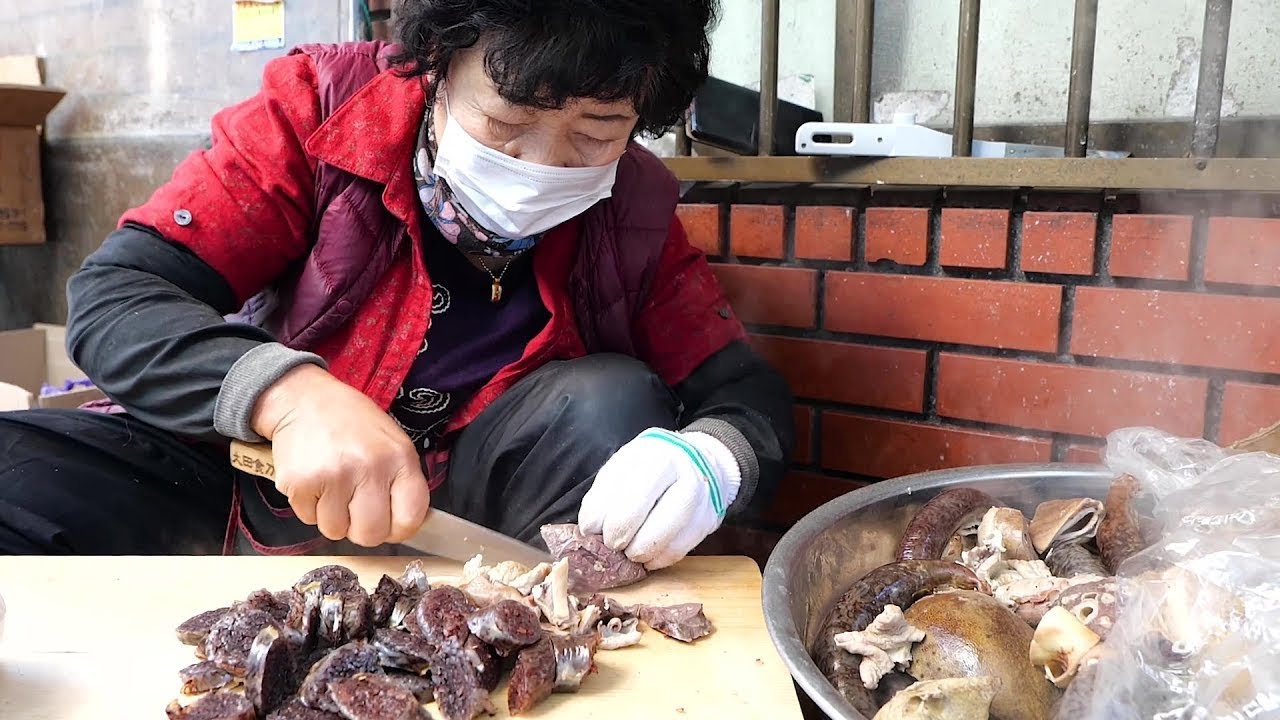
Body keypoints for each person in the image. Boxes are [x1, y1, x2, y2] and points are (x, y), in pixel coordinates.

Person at [0, 0, 793, 568]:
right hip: (241, 476)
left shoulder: (633, 211)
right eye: (506, 124)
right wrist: (291, 397)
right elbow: (118, 298)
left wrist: (715, 458)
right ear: (441, 65)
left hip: (457, 530)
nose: (541, 168)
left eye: (595, 134)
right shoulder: (318, 113)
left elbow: (743, 388)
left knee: (613, 401)